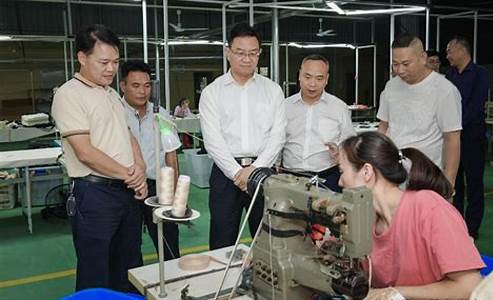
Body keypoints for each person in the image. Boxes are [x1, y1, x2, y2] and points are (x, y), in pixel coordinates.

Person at [51, 24, 147, 292]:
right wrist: (131, 175)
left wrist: (139, 168)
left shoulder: (111, 93)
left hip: (124, 193)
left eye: (115, 62)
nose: (111, 69)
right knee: (96, 270)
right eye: (103, 62)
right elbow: (85, 152)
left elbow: (128, 136)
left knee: (129, 267)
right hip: (94, 195)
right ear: (82, 57)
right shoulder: (69, 95)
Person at [337, 132, 484, 300]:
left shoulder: (429, 208)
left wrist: (394, 293)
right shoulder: (365, 221)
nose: (340, 182)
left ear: (366, 172)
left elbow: (471, 287)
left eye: (342, 171)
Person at [199, 23, 286, 250]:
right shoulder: (212, 93)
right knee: (222, 239)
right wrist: (238, 173)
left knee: (267, 239)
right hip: (226, 175)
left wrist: (255, 170)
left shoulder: (273, 90)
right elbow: (213, 140)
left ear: (259, 54)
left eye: (252, 53)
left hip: (263, 171)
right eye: (240, 52)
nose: (246, 59)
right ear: (228, 52)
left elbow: (278, 136)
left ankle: (265, 285)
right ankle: (222, 283)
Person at [377, 33, 462, 187]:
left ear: (423, 57)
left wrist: (449, 184)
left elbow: (452, 139)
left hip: (426, 177)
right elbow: (383, 127)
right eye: (395, 64)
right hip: (392, 175)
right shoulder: (391, 87)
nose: (400, 70)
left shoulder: (444, 90)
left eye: (406, 63)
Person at [120, 60, 182, 260]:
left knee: (168, 240)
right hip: (126, 187)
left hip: (158, 186)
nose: (142, 92)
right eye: (135, 86)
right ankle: (131, 290)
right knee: (128, 245)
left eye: (147, 86)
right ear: (123, 86)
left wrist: (174, 193)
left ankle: (174, 283)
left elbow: (171, 154)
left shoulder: (161, 116)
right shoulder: (115, 114)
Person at [282, 54, 355, 192]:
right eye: (307, 77)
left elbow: (350, 142)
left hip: (328, 177)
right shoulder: (285, 106)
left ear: (327, 79)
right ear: (299, 76)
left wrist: (340, 152)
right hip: (290, 177)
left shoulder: (339, 107)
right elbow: (276, 140)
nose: (312, 84)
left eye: (319, 78)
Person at [446, 36, 490, 240]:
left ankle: (472, 228)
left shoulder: (480, 74)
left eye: (450, 51)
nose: (447, 56)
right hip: (453, 139)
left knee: (474, 184)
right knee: (454, 183)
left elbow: (476, 104)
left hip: (472, 138)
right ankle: (456, 225)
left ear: (462, 50)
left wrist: (455, 124)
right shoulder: (450, 75)